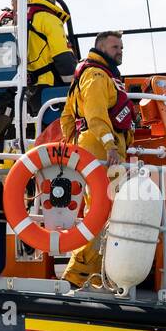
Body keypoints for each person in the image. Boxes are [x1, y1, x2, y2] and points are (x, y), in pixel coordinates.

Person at [58, 30, 140, 288]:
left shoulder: (102, 75)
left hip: (104, 150)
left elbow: (66, 119)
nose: (120, 51)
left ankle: (97, 276)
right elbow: (95, 114)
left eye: (122, 47)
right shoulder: (95, 76)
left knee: (109, 212)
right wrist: (109, 144)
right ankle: (77, 276)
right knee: (102, 213)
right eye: (115, 46)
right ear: (101, 47)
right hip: (103, 151)